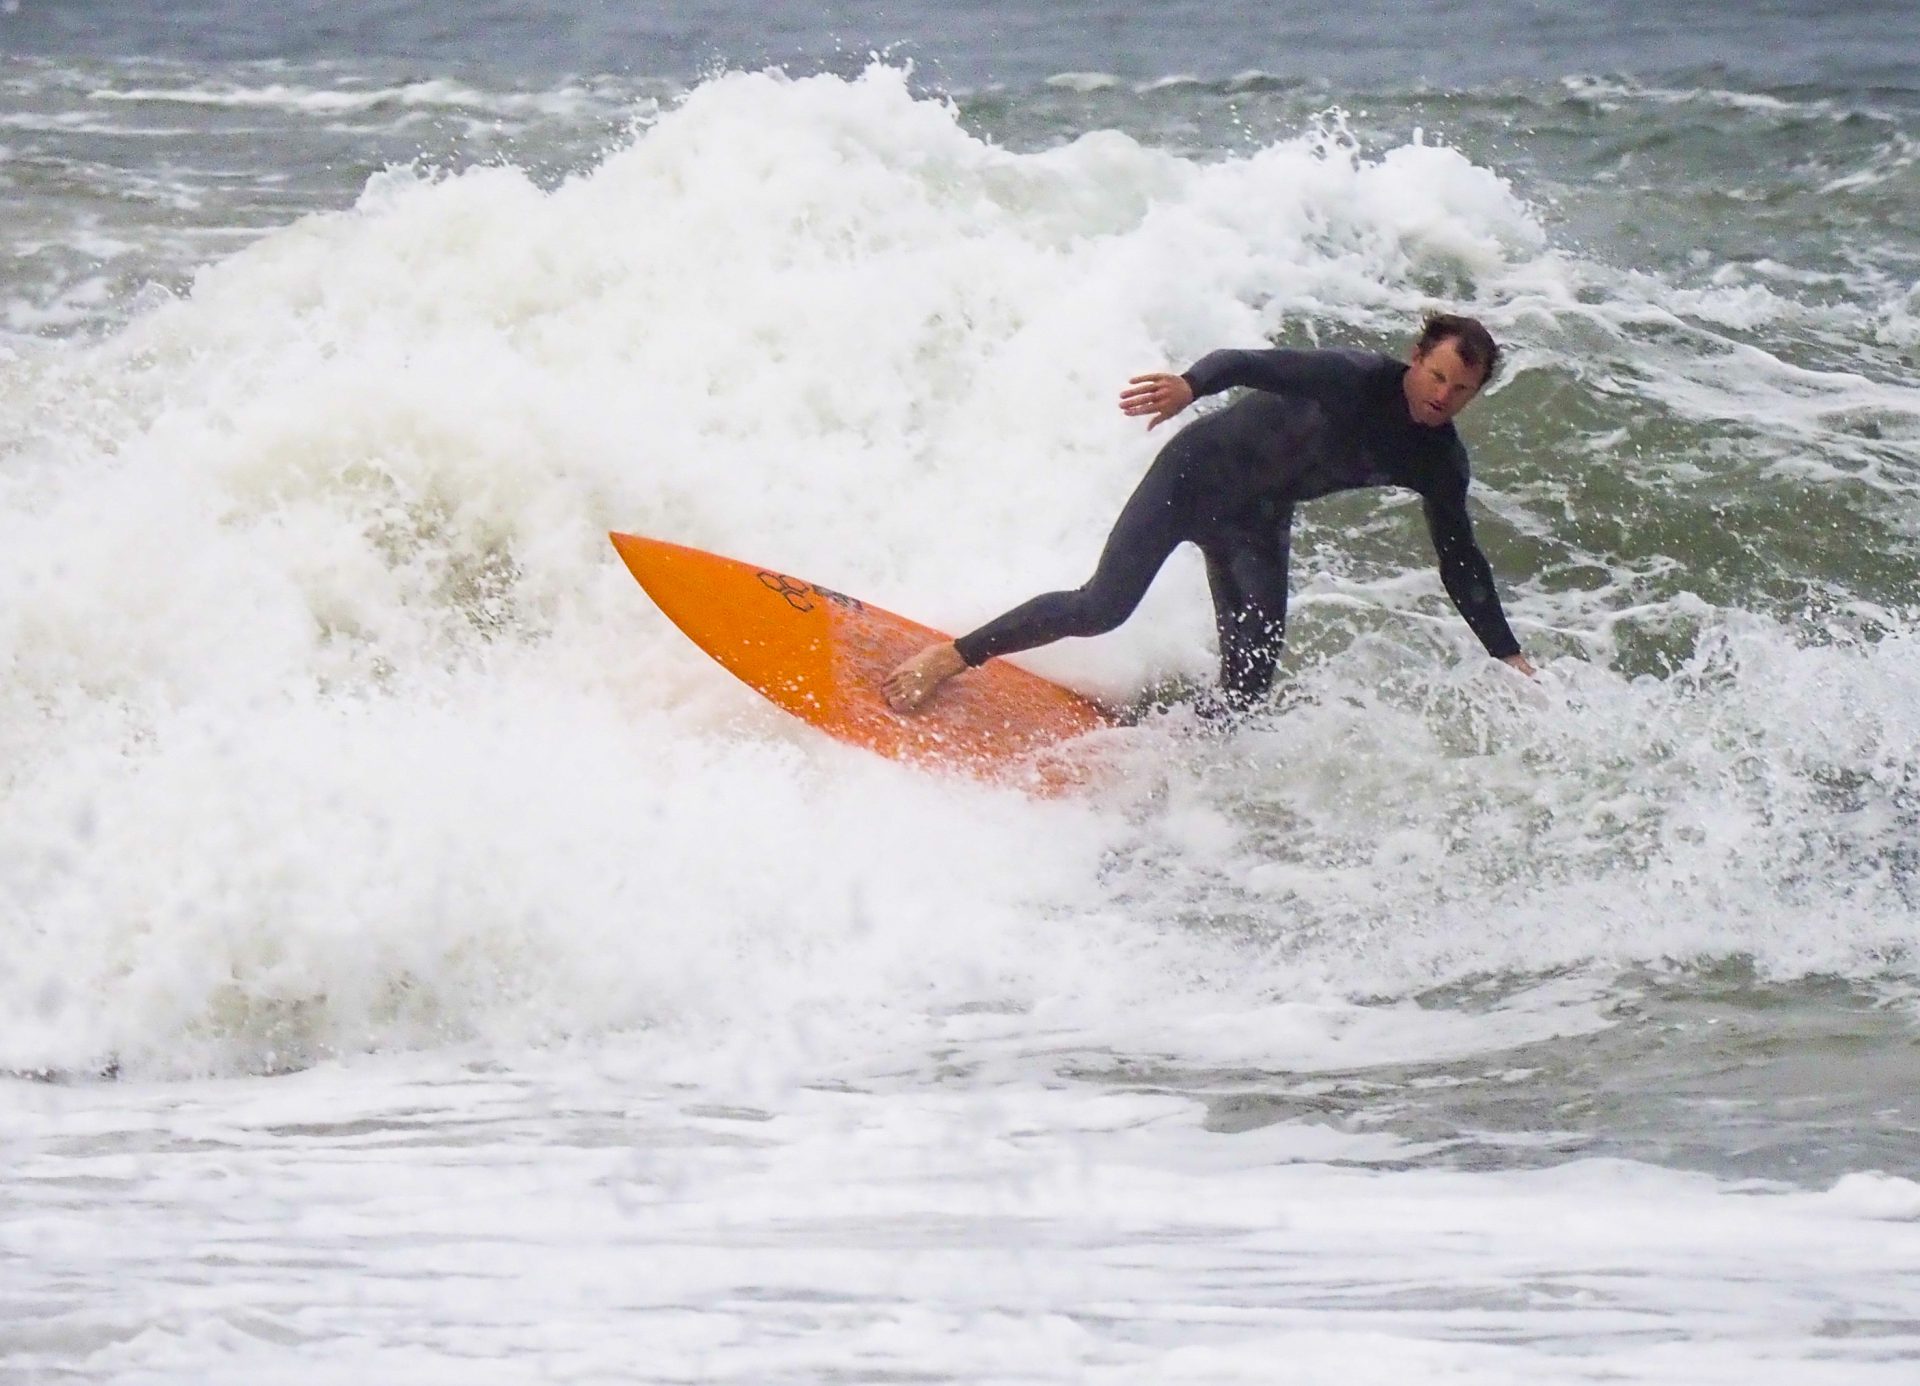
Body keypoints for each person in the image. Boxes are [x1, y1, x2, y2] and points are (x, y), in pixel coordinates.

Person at [883, 313, 1536, 715]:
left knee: (1249, 688)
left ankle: (1173, 772)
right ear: (1417, 359)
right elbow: (1247, 363)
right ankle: (950, 657)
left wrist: (1505, 653)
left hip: (1257, 520)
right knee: (1101, 607)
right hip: (1194, 479)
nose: (1442, 397)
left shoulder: (1439, 462)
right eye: (1437, 376)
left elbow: (1459, 559)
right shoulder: (1354, 378)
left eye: (1461, 390)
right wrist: (1190, 385)